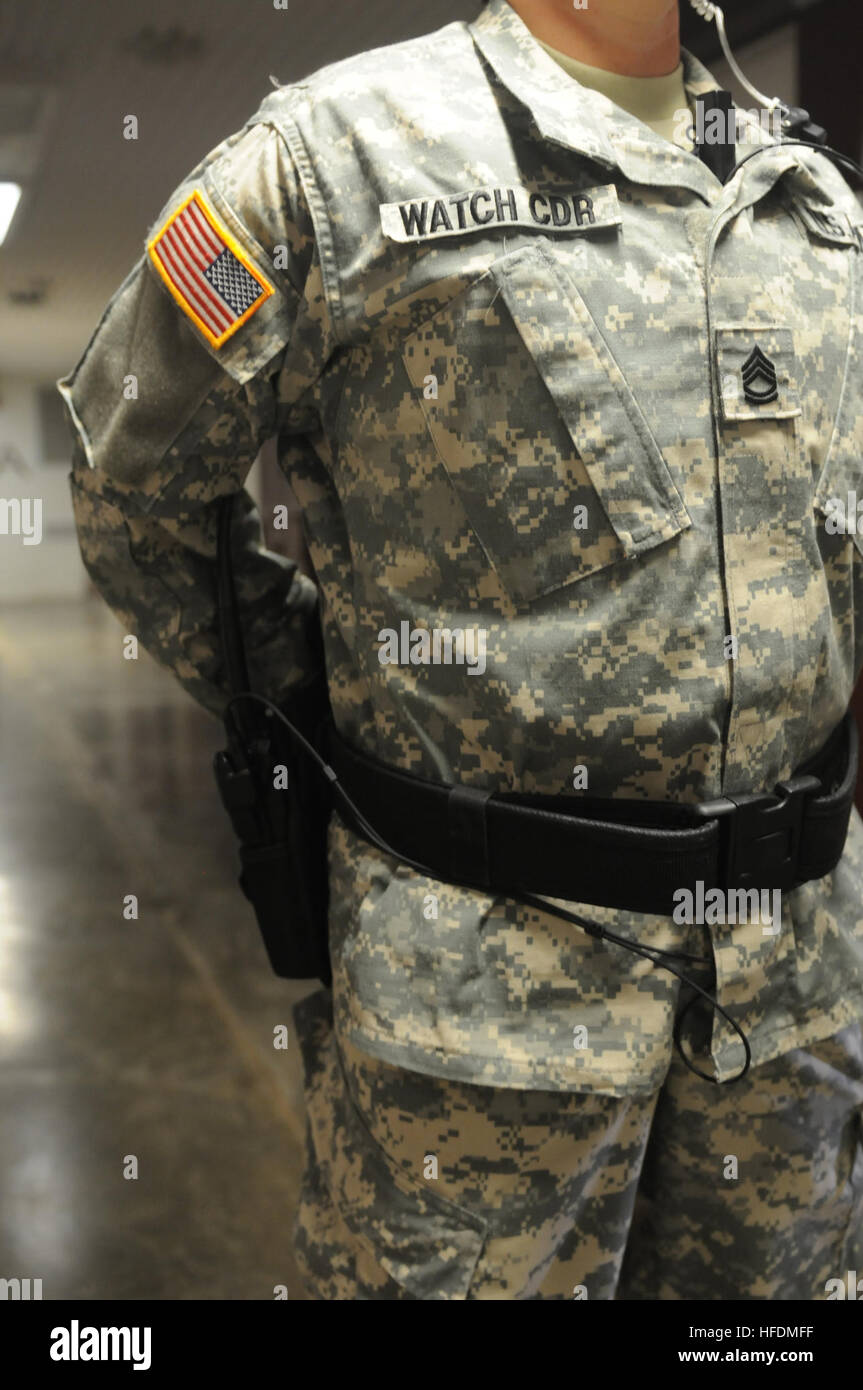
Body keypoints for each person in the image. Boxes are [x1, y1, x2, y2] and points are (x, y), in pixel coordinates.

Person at [59, 0, 863, 1300]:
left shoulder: (812, 196)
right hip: (487, 1028)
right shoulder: (337, 159)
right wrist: (328, 722)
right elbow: (130, 484)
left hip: (795, 1007)